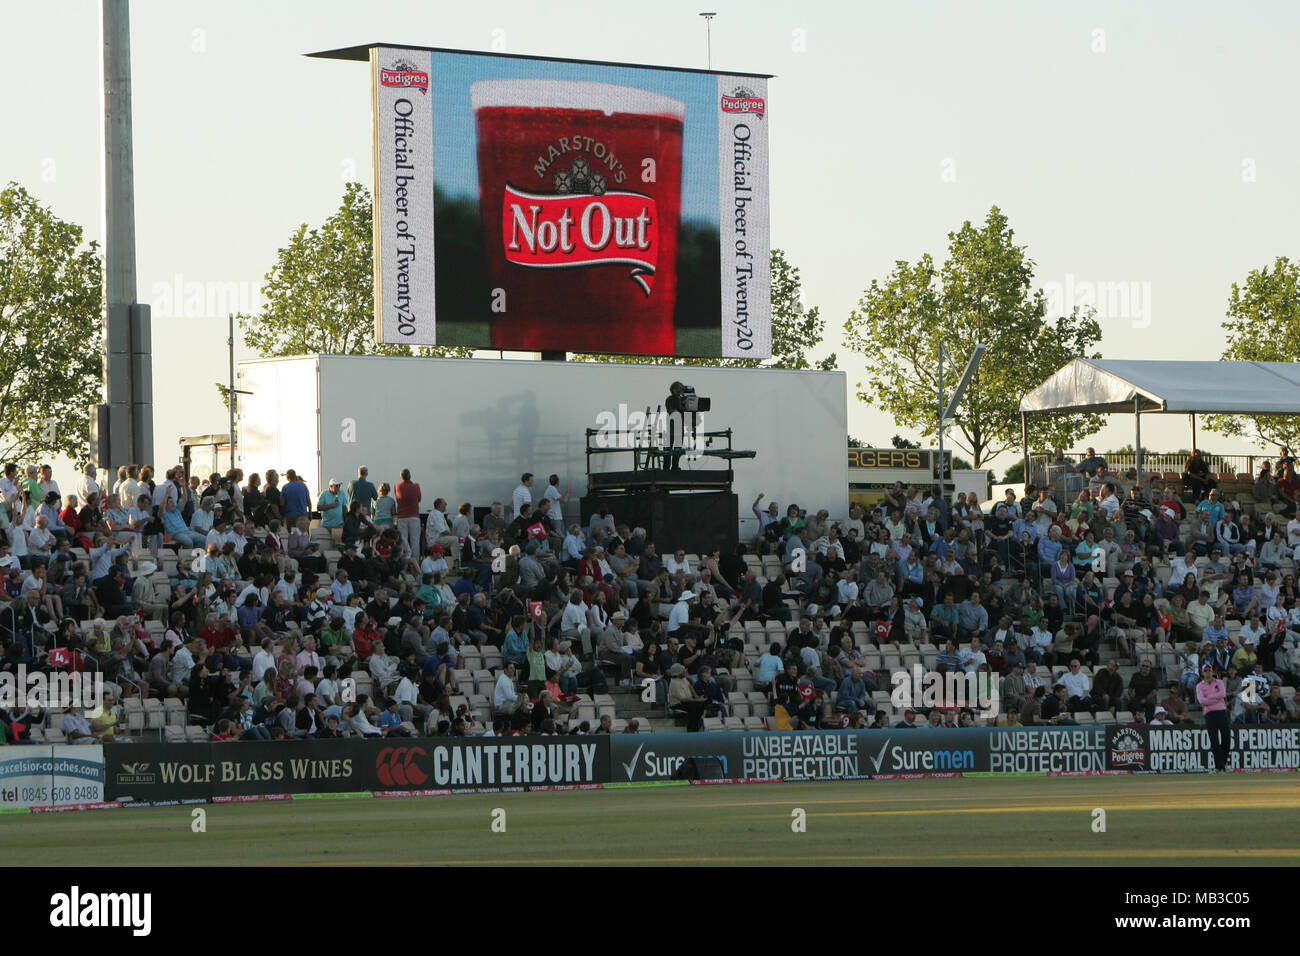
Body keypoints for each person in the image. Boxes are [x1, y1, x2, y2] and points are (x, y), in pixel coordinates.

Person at [1196, 663, 1230, 772]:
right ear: (1202, 673)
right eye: (1205, 670)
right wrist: (1216, 698)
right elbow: (1202, 701)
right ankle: (1219, 766)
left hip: (1221, 712)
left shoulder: (1219, 682)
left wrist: (1209, 697)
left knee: (1226, 737)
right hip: (1209, 714)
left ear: (1212, 671)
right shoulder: (1199, 686)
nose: (1208, 672)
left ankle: (1222, 764)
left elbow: (1223, 694)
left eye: (1209, 670)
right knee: (1214, 740)